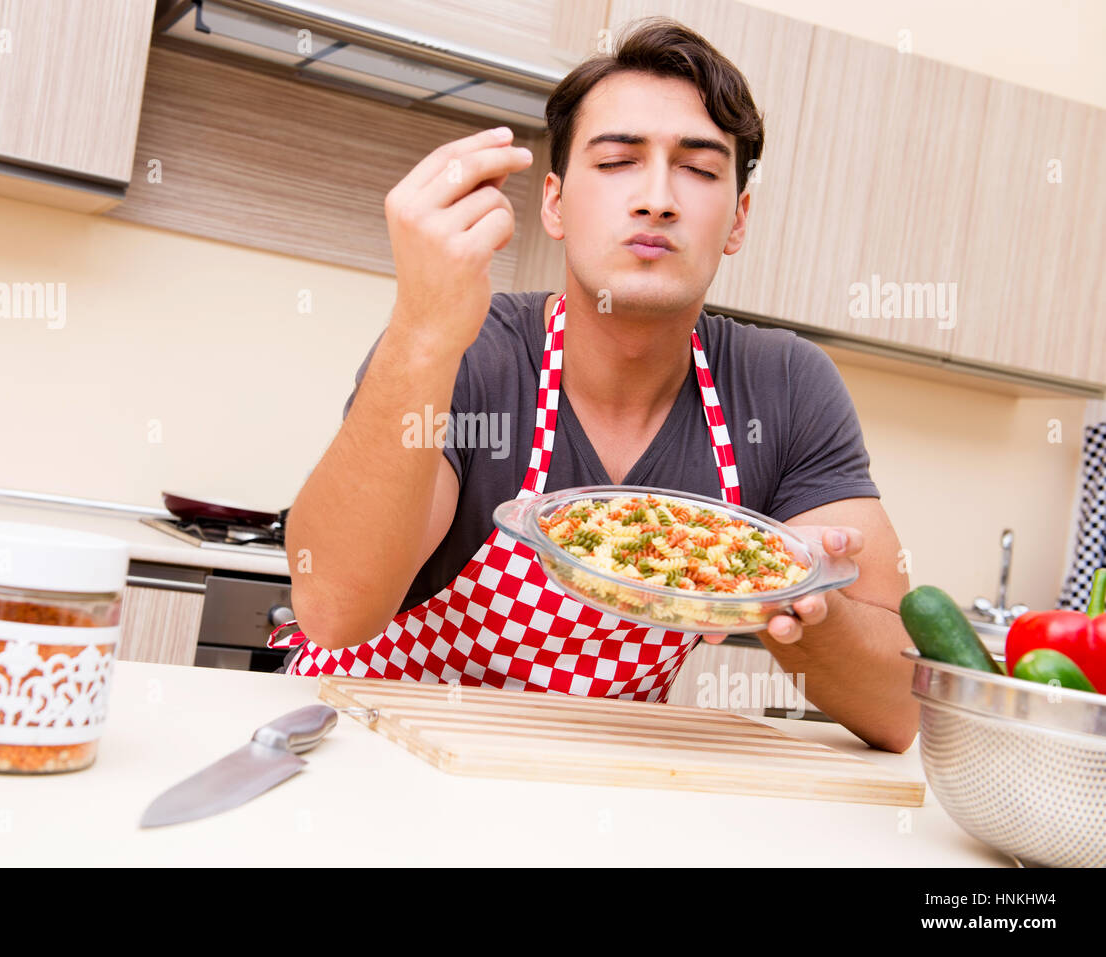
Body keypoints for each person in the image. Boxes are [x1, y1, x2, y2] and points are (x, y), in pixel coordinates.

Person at [270, 16, 918, 752]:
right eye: (617, 162)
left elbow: (899, 710)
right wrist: (420, 327)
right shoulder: (468, 349)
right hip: (364, 755)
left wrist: (800, 602)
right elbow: (333, 608)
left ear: (738, 218)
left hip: (591, 796)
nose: (657, 199)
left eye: (700, 170)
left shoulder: (786, 387)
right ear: (553, 203)